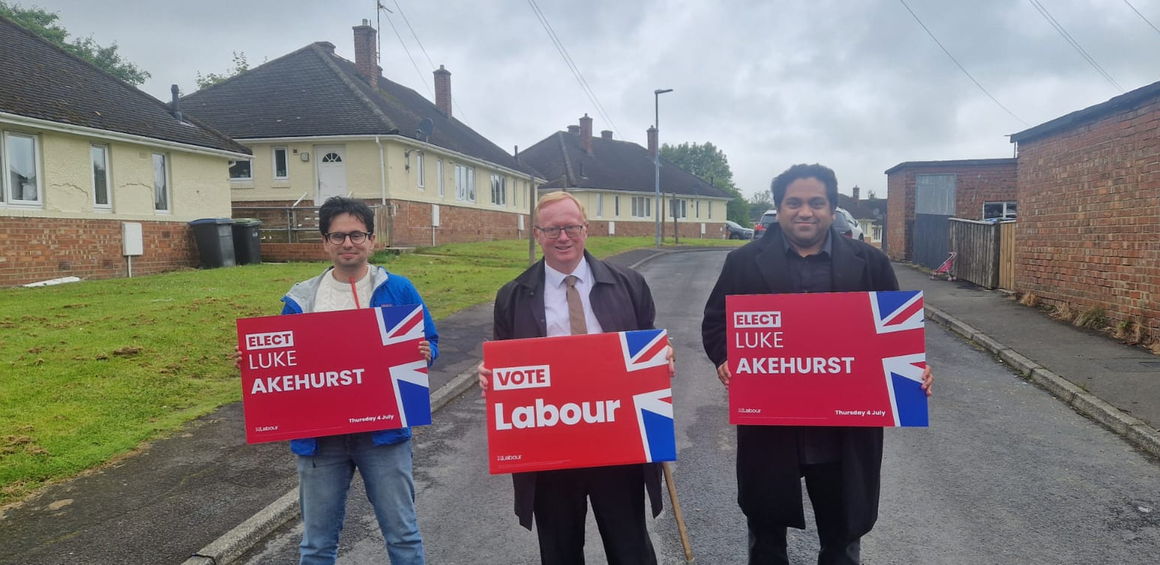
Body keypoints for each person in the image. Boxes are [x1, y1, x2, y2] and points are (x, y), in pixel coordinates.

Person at [700, 164, 933, 565]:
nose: (804, 212)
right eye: (794, 203)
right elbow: (716, 321)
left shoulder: (870, 263)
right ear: (779, 208)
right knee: (766, 536)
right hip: (771, 428)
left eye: (815, 203)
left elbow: (895, 334)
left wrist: (914, 370)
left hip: (843, 433)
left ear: (831, 209)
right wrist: (726, 357)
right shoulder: (743, 263)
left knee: (842, 540)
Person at [477, 191, 675, 565]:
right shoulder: (512, 296)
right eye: (552, 229)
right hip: (551, 448)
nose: (562, 237)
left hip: (617, 442)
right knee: (560, 553)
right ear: (537, 234)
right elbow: (505, 362)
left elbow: (647, 344)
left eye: (571, 227)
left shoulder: (629, 284)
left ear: (586, 229)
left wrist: (663, 356)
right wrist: (490, 375)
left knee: (631, 549)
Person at [280, 196, 438, 565]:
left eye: (355, 234)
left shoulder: (397, 290)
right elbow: (284, 359)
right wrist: (256, 361)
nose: (347, 243)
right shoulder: (302, 299)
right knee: (316, 545)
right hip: (321, 440)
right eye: (337, 236)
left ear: (371, 240)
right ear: (324, 242)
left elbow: (429, 340)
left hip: (383, 434)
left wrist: (426, 353)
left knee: (403, 536)